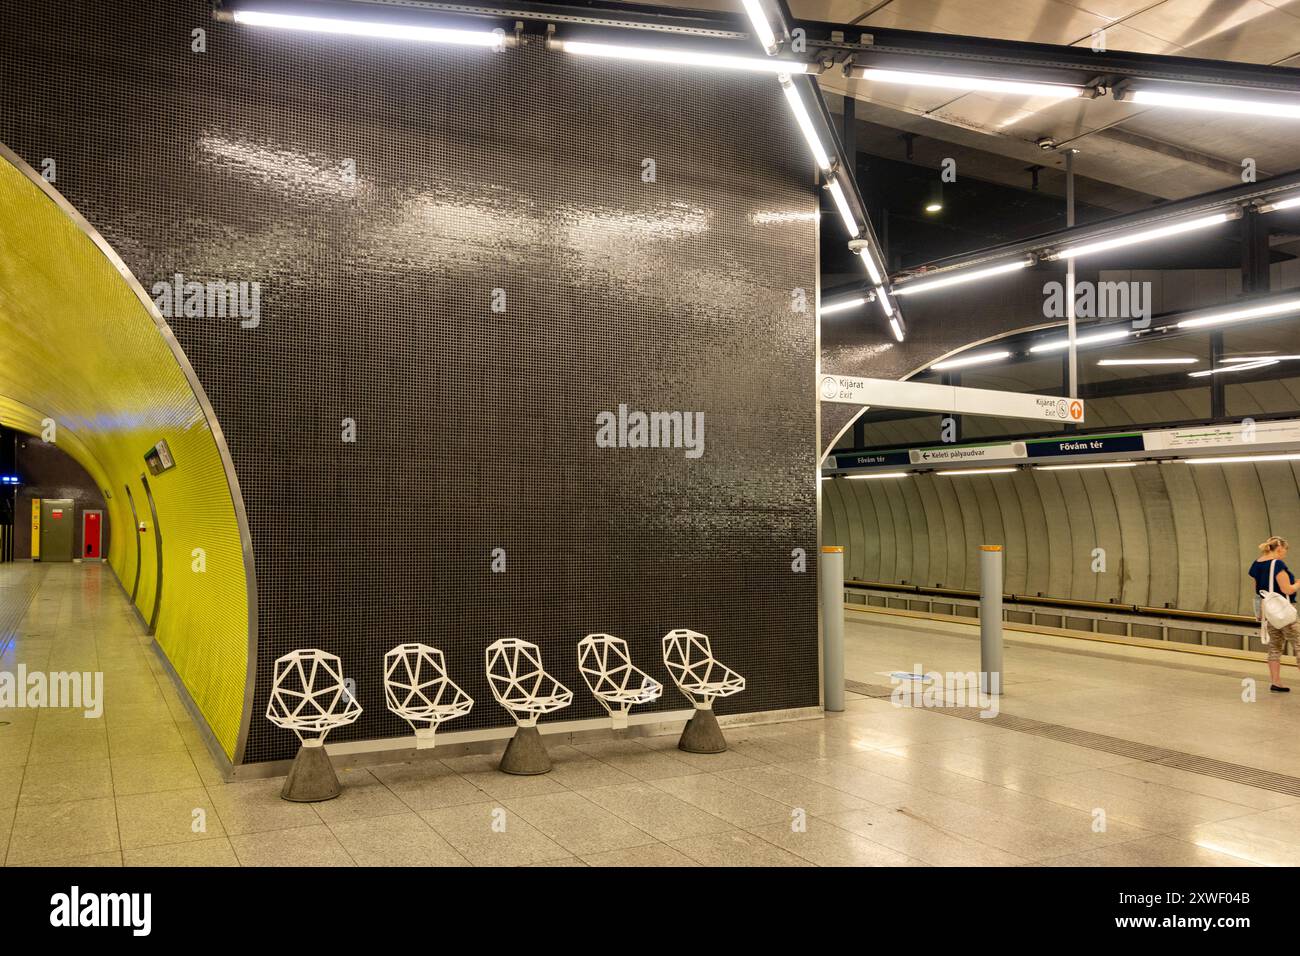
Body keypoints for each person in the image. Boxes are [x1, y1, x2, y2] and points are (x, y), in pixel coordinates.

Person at [1249, 536, 1300, 692]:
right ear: (1279, 548)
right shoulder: (1277, 564)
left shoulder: (1256, 564)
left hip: (1269, 613)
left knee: (1274, 648)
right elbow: (1287, 589)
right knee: (1299, 644)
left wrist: (1260, 613)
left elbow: (1258, 591)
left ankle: (1276, 682)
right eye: (1285, 550)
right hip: (1284, 614)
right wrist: (1298, 583)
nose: (1285, 553)